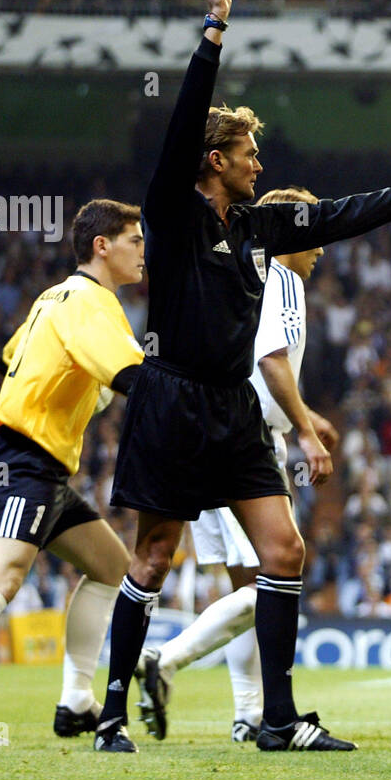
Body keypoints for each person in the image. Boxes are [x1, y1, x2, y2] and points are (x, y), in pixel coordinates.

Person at [94, 0, 391, 752]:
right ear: (213, 160)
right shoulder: (172, 213)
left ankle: (277, 719)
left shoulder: (258, 229)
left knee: (284, 550)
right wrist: (213, 34)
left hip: (232, 409)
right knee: (154, 557)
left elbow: (338, 216)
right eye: (246, 155)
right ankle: (108, 715)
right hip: (171, 402)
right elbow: (179, 128)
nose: (258, 167)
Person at [0, 200, 146, 745]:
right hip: (23, 455)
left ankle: (76, 701)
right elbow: (131, 376)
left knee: (113, 566)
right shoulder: (93, 300)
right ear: (102, 245)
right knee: (3, 574)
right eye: (135, 240)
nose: (143, 251)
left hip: (41, 461)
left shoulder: (53, 297)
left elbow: (10, 356)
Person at [133, 187, 336, 744]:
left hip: (210, 431)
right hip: (249, 444)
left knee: (250, 584)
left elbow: (252, 360)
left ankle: (249, 713)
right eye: (312, 233)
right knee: (277, 577)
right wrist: (305, 430)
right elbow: (271, 360)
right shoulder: (283, 277)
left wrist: (307, 415)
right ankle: (167, 660)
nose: (319, 249)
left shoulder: (245, 271)